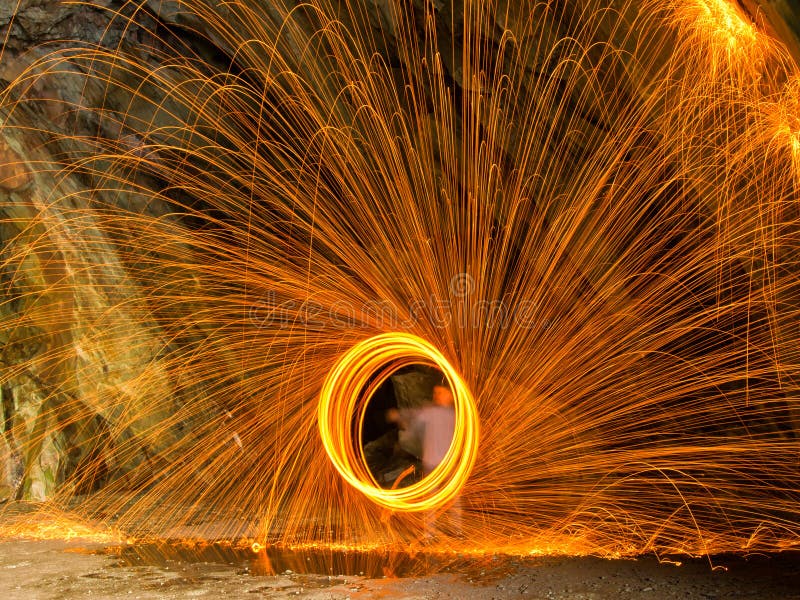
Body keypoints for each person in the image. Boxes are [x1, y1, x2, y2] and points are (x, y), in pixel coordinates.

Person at [386, 378, 462, 538]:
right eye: (435, 393)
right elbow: (414, 416)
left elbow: (464, 437)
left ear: (450, 396)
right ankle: (429, 533)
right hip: (432, 463)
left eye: (441, 393)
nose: (437, 396)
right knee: (430, 500)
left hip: (449, 464)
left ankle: (457, 531)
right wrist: (399, 417)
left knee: (454, 500)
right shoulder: (430, 412)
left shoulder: (456, 415)